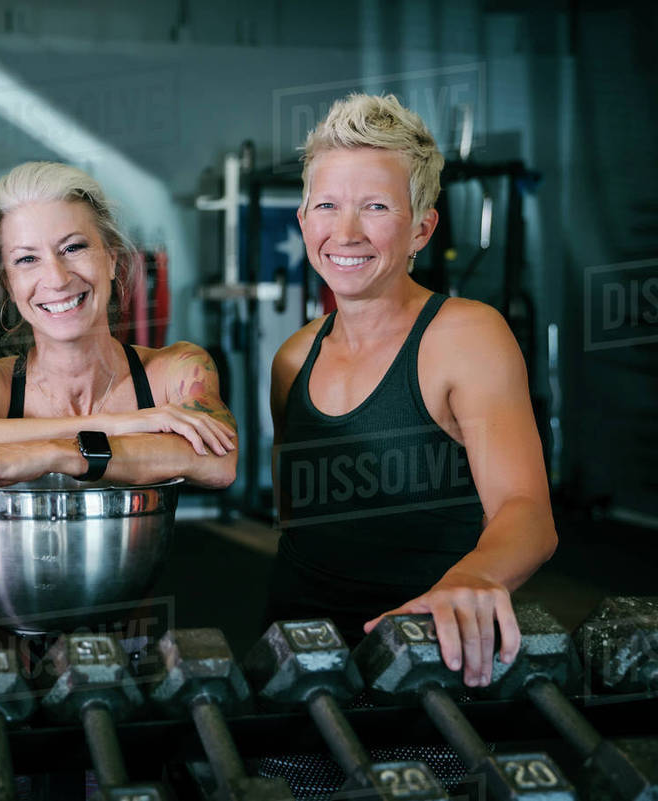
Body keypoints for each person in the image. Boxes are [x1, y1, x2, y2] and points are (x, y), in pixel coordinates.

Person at [267, 93, 557, 690]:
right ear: (303, 221)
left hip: (429, 662)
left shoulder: (466, 336)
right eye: (327, 205)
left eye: (375, 206)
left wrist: (474, 578)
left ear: (422, 228)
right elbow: (298, 522)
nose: (346, 232)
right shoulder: (292, 358)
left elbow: (527, 514)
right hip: (296, 659)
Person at [0, 160, 238, 494]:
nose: (57, 278)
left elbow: (219, 460)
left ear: (111, 258)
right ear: (8, 283)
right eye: (27, 259)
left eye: (73, 248)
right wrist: (117, 425)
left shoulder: (175, 370)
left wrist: (59, 453)